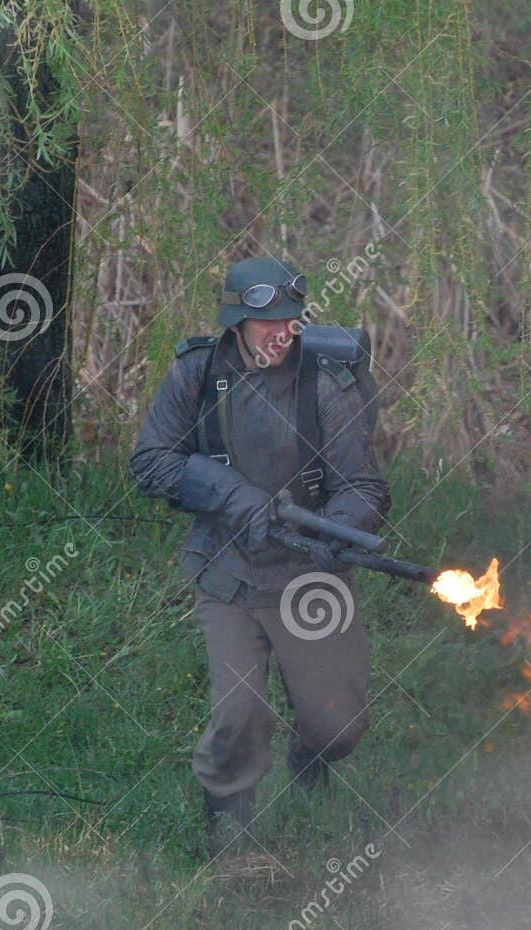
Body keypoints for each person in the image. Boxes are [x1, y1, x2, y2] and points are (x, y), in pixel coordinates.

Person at [129, 256, 390, 835]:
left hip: (310, 576)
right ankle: (230, 820)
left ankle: (310, 762)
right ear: (236, 321)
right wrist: (233, 497)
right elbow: (151, 461)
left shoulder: (325, 381)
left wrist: (330, 531)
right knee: (240, 715)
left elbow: (363, 485)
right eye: (267, 321)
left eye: (291, 320)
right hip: (229, 572)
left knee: (338, 727)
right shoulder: (197, 373)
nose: (282, 332)